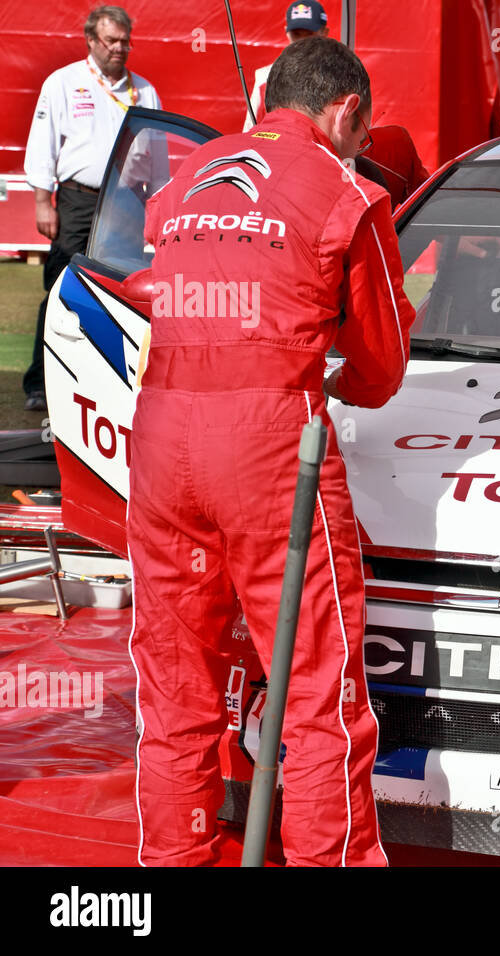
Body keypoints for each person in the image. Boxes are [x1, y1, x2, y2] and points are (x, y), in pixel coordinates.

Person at [129, 36, 415, 865]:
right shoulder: (348, 192)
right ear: (348, 112)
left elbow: (164, 278)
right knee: (320, 694)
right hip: (268, 448)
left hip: (160, 436)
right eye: (362, 133)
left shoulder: (188, 174)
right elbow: (380, 368)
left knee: (175, 683)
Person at [23, 5, 160, 412]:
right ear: (91, 40)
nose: (119, 48)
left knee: (122, 291)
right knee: (62, 289)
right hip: (79, 199)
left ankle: (114, 380)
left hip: (128, 203)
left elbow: (158, 156)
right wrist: (41, 202)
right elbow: (42, 146)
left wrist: (155, 207)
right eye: (111, 41)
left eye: (124, 41)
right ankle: (41, 382)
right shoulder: (63, 83)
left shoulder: (145, 90)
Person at [243, 0, 328, 131]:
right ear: (286, 32)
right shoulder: (265, 77)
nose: (302, 41)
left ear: (325, 33)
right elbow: (249, 131)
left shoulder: (339, 76)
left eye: (309, 34)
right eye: (297, 34)